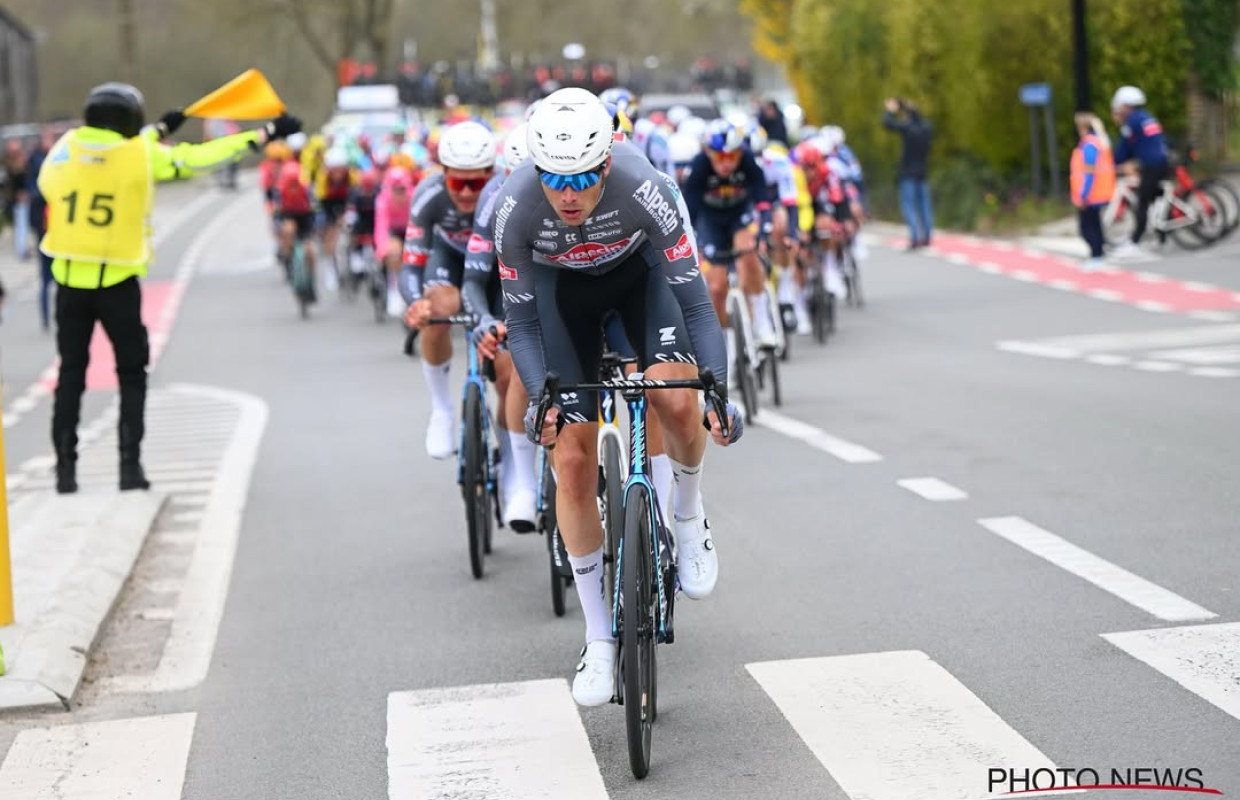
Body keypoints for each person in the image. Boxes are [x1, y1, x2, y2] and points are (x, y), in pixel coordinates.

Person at [493, 87, 742, 707]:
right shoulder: (514, 207)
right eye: (553, 178)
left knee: (678, 400)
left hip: (640, 282)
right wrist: (543, 398)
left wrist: (717, 386)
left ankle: (688, 515)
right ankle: (599, 639)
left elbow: (695, 301)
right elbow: (521, 323)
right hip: (561, 299)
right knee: (572, 462)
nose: (567, 193)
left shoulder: (645, 187)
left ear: (606, 162)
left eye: (582, 177)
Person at [38, 82, 301, 494]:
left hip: (69, 283)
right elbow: (197, 159)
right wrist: (262, 134)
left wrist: (159, 130)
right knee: (131, 374)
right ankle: (129, 468)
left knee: (71, 375)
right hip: (117, 282)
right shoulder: (141, 155)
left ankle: (65, 472)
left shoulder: (66, 148)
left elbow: (54, 181)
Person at [400, 121, 497, 459]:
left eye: (476, 183)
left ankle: (514, 450)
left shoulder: (505, 189)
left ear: (491, 173)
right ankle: (441, 408)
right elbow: (411, 265)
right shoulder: (428, 194)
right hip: (450, 257)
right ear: (442, 174)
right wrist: (416, 303)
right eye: (457, 182)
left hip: (494, 266)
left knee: (507, 359)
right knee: (437, 309)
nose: (467, 193)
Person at [461, 124, 540, 531]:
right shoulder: (493, 200)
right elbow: (474, 280)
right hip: (505, 290)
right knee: (511, 371)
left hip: (555, 287)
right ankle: (516, 469)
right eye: (513, 177)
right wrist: (486, 321)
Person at [1109, 85, 1169, 257]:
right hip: (1161, 161)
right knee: (1155, 197)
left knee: (1142, 200)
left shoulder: (1132, 122)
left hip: (1151, 165)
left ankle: (1135, 241)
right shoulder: (1147, 117)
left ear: (1126, 105)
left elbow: (1125, 147)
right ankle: (1161, 235)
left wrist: (1114, 162)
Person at [882, 97, 934, 249]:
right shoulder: (926, 129)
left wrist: (890, 110)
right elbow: (917, 118)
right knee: (924, 206)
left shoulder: (908, 129)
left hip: (907, 174)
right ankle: (927, 236)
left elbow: (888, 123)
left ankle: (915, 237)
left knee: (909, 206)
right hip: (922, 173)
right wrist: (908, 107)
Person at [1070, 112, 1116, 272]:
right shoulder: (1097, 142)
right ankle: (1098, 254)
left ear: (1083, 128)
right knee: (1095, 224)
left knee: (1087, 227)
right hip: (1097, 193)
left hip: (1091, 194)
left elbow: (1089, 172)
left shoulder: (1089, 145)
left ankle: (1097, 256)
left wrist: (1083, 194)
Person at [27, 127, 57, 330]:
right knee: (46, 277)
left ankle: (56, 315)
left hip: (57, 229)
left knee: (59, 278)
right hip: (44, 229)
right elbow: (34, 194)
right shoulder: (36, 161)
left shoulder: (55, 159)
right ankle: (46, 317)